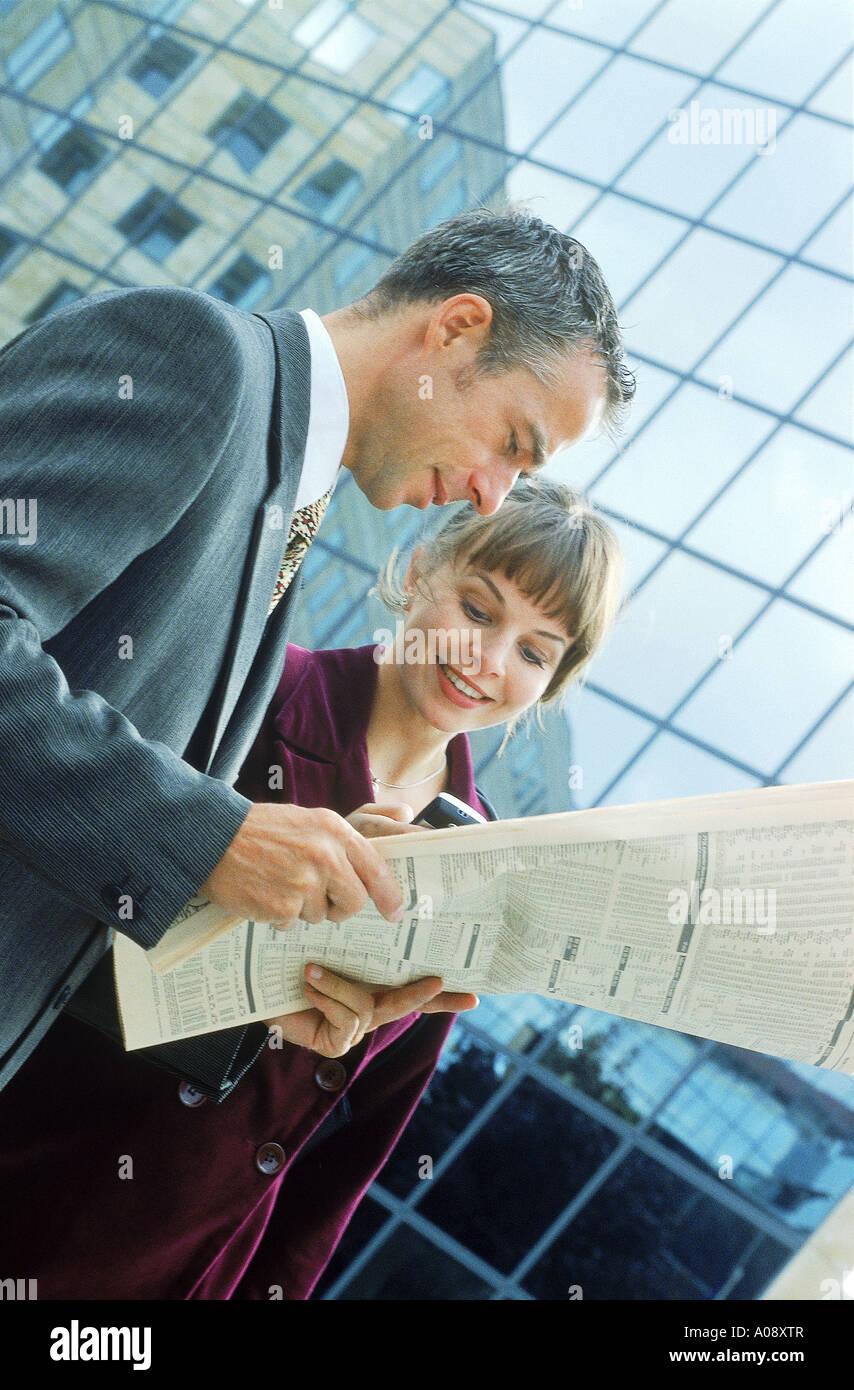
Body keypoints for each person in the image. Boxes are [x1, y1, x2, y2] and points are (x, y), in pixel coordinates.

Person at [0, 206, 633, 1108]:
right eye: (511, 444)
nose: (493, 497)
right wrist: (211, 839)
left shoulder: (289, 512)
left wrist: (258, 987)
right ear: (456, 328)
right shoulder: (203, 361)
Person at [0, 478, 623, 1299]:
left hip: (191, 1270)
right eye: (477, 609)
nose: (489, 661)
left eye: (535, 652)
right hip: (38, 1178)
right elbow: (49, 918)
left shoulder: (477, 862)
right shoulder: (249, 695)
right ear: (418, 570)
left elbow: (347, 1155)